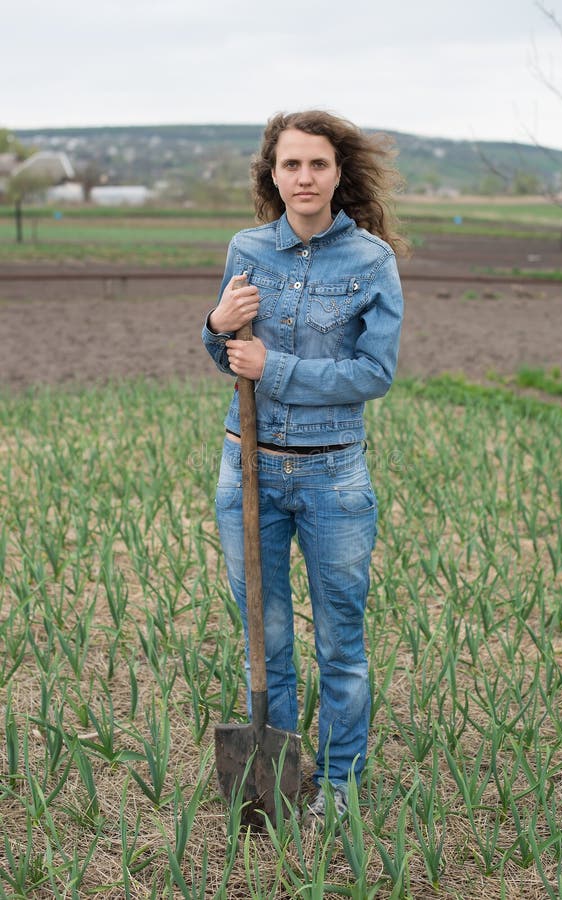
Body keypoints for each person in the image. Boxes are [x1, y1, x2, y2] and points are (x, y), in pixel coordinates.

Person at [202, 110, 405, 820]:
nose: (304, 176)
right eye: (291, 164)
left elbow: (374, 373)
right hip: (247, 469)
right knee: (266, 638)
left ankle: (340, 783)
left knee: (341, 643)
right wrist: (216, 326)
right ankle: (277, 774)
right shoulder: (247, 248)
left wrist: (276, 367)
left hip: (332, 476)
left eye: (317, 163)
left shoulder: (371, 262)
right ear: (274, 173)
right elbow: (228, 355)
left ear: (338, 172)